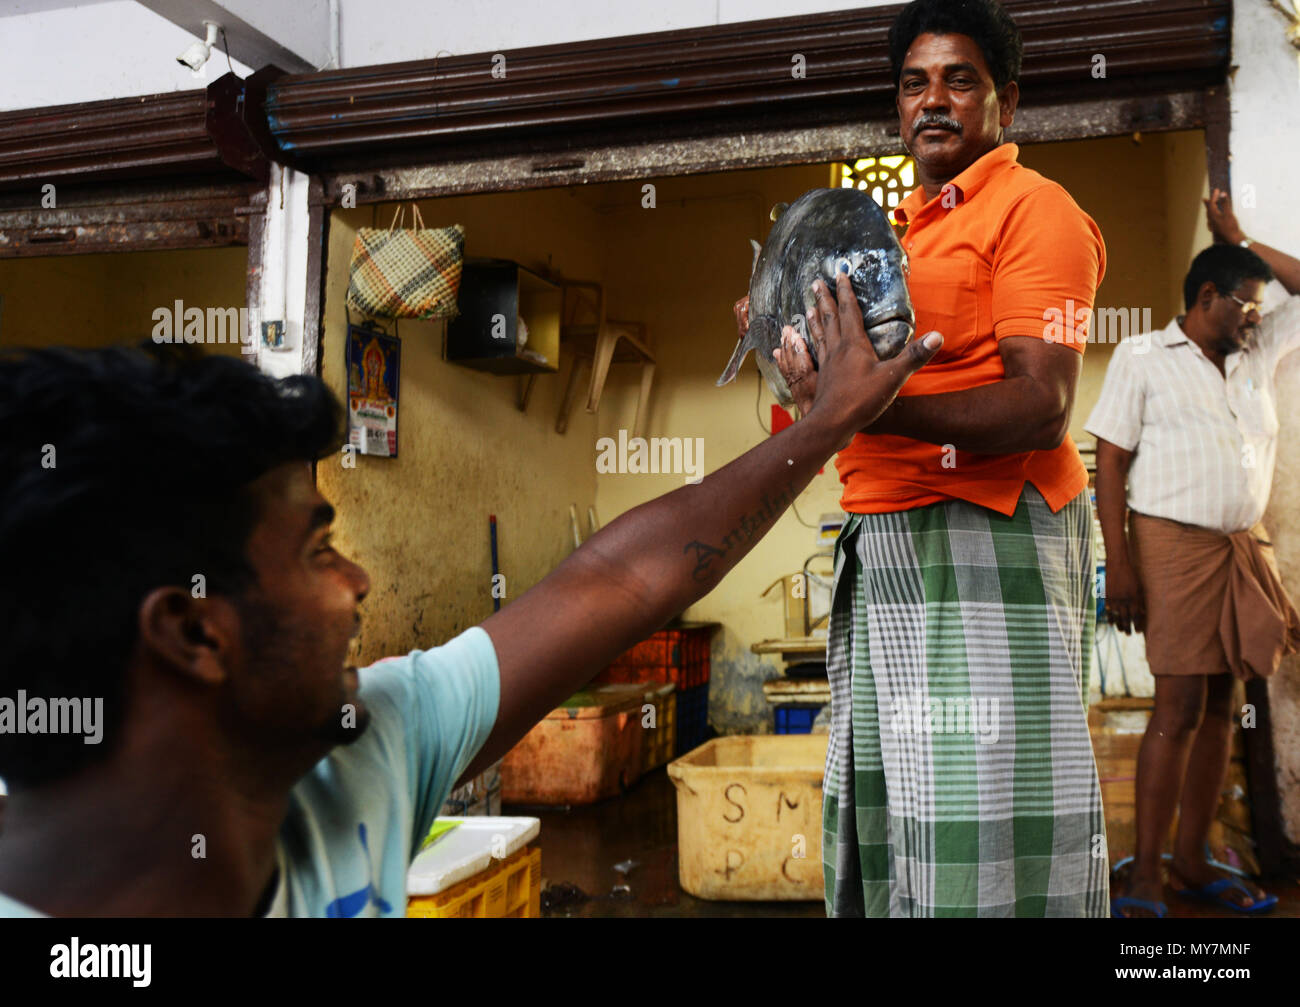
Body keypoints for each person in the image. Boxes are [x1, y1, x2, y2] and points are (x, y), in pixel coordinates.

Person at [0, 277, 940, 917]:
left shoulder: (368, 752)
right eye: (320, 551)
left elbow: (615, 579)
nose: (359, 582)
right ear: (195, 629)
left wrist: (826, 423)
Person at [747, 0, 1108, 916]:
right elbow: (842, 395)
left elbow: (1042, 403)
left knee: (985, 827)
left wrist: (869, 401)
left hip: (992, 535)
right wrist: (796, 368)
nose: (933, 101)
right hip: (882, 539)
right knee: (899, 814)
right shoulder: (892, 229)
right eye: (915, 82)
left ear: (1007, 103)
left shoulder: (1041, 212)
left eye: (960, 80)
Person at [1087, 190, 1300, 918]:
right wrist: (1119, 563)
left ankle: (1190, 856)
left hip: (1239, 548)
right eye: (1245, 302)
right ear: (1207, 296)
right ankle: (1146, 872)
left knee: (1224, 704)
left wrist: (1240, 237)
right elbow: (1109, 461)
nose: (1256, 314)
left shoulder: (1253, 350)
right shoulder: (1143, 354)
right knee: (1177, 703)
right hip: (1170, 544)